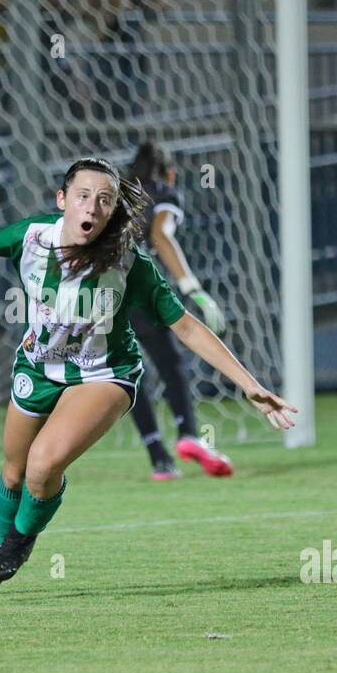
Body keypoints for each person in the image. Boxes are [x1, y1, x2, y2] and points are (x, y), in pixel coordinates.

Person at [0, 157, 297, 597]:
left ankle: (10, 553)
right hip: (38, 367)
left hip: (104, 373)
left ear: (112, 211)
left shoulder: (130, 263)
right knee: (13, 470)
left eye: (105, 198)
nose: (93, 205)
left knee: (43, 464)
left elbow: (187, 327)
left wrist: (249, 384)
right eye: (83, 194)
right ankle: (8, 541)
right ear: (62, 200)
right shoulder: (31, 239)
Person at [125, 141, 233, 480]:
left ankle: (158, 457)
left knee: (127, 372)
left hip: (101, 292)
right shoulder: (164, 194)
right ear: (170, 173)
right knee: (170, 365)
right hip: (140, 289)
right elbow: (160, 235)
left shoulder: (117, 195)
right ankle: (188, 435)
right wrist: (192, 288)